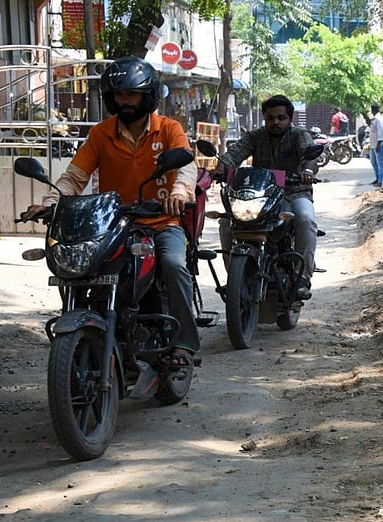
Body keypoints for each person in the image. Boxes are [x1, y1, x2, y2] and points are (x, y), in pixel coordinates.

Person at [23, 57, 200, 367]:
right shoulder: (101, 134)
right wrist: (52, 202)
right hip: (114, 224)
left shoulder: (169, 129)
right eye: (119, 94)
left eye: (131, 94)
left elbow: (186, 166)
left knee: (173, 264)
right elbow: (74, 177)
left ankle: (184, 342)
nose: (124, 100)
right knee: (88, 268)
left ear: (148, 96)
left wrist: (179, 193)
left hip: (161, 222)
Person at [213, 95, 319, 300]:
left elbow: (309, 155)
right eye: (270, 118)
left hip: (294, 192)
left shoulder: (299, 135)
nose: (275, 122)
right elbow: (234, 154)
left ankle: (301, 278)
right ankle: (235, 279)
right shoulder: (255, 136)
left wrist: (308, 171)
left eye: (281, 118)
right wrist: (220, 168)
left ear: (290, 119)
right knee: (227, 223)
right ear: (264, 118)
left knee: (306, 219)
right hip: (260, 194)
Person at [368, 103, 383, 186]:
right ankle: (377, 178)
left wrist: (378, 144)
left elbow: (380, 133)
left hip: (378, 144)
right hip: (373, 144)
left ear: (373, 110)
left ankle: (380, 181)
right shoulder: (375, 119)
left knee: (379, 163)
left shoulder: (379, 119)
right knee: (373, 162)